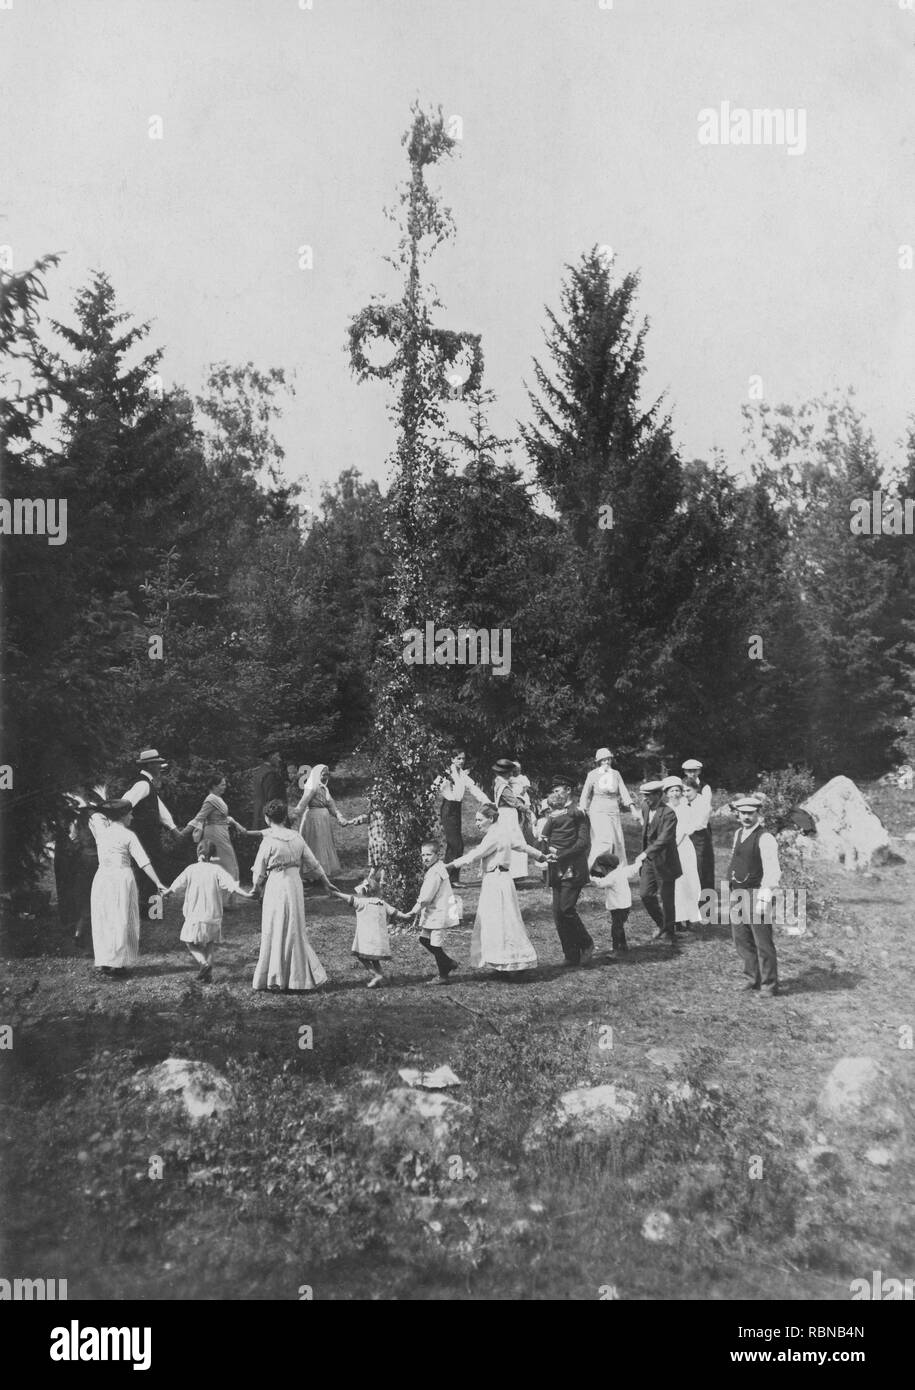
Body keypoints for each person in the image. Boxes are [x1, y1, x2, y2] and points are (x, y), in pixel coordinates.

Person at [446, 802, 548, 974]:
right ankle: (501, 961)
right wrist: (541, 855)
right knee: (498, 919)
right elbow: (522, 846)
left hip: (497, 881)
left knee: (501, 919)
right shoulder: (502, 832)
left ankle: (510, 962)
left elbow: (475, 854)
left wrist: (451, 865)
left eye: (480, 820)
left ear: (491, 819)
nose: (477, 824)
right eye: (476, 820)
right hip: (499, 879)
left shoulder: (494, 836)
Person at [251, 799, 332, 993]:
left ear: (267, 819)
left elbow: (259, 871)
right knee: (294, 926)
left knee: (275, 926)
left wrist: (255, 888)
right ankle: (295, 977)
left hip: (277, 884)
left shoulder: (269, 840)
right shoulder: (296, 837)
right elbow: (313, 862)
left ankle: (277, 977)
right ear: (285, 817)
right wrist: (326, 882)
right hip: (294, 884)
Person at [89, 799, 169, 978]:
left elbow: (95, 816)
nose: (132, 816)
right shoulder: (128, 835)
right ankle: (117, 965)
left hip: (103, 878)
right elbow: (144, 862)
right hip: (120, 879)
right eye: (130, 813)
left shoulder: (101, 833)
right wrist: (158, 883)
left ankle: (105, 962)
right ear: (123, 816)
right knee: (122, 919)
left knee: (105, 920)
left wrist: (104, 809)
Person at [164, 844, 252, 982]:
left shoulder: (191, 869)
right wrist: (246, 895)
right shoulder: (217, 869)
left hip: (195, 914)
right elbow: (232, 885)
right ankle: (208, 975)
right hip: (213, 915)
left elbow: (177, 883)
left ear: (198, 853)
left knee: (189, 941)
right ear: (213, 856)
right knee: (210, 943)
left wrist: (167, 892)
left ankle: (204, 963)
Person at [728, 794, 782, 998]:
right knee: (741, 939)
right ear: (738, 814)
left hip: (756, 892)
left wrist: (764, 897)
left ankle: (769, 984)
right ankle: (752, 978)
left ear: (758, 814)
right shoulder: (738, 833)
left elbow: (772, 870)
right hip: (738, 892)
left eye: (751, 813)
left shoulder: (765, 838)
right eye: (743, 813)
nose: (746, 817)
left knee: (762, 942)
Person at [539, 776, 594, 966]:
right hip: (556, 870)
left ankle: (586, 943)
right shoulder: (553, 813)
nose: (555, 794)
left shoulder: (578, 813)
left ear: (568, 790)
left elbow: (583, 842)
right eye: (553, 792)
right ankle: (571, 955)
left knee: (566, 908)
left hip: (574, 869)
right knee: (557, 913)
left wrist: (561, 854)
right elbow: (546, 837)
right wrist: (546, 852)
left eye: (558, 790)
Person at [123, 749, 179, 918]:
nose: (160, 767)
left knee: (153, 869)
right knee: (148, 870)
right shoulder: (142, 784)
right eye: (157, 764)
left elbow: (160, 809)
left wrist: (173, 828)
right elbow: (125, 803)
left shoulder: (148, 785)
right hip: (144, 836)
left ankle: (152, 911)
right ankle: (149, 912)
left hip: (149, 835)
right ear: (150, 765)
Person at [183, 773, 247, 907]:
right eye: (222, 784)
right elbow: (198, 818)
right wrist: (183, 832)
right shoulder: (210, 799)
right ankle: (218, 901)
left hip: (222, 833)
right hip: (214, 835)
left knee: (226, 865)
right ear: (214, 786)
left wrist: (234, 822)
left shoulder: (217, 799)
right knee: (225, 865)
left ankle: (223, 901)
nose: (225, 787)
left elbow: (224, 817)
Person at [329, 874, 401, 987]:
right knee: (374, 959)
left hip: (367, 939)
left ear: (363, 891)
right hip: (380, 939)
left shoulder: (361, 902)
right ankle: (382, 976)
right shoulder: (382, 903)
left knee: (361, 956)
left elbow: (348, 898)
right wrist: (408, 915)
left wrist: (336, 893)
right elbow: (395, 912)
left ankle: (377, 975)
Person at [402, 840, 458, 984]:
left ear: (437, 855)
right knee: (424, 939)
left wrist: (414, 910)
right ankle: (448, 962)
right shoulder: (436, 868)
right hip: (435, 911)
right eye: (423, 855)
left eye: (428, 854)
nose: (425, 858)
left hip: (439, 912)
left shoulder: (435, 872)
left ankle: (443, 976)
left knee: (435, 944)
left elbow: (426, 897)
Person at [633, 779, 681, 947]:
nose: (645, 799)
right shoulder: (646, 807)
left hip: (666, 861)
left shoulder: (669, 814)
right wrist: (645, 854)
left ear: (659, 795)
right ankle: (662, 924)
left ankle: (670, 932)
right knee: (645, 894)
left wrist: (645, 853)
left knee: (667, 899)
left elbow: (664, 839)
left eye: (649, 796)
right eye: (644, 796)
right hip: (649, 861)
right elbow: (646, 832)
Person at [433, 751, 488, 885]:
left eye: (463, 758)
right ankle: (449, 878)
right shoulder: (446, 773)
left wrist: (487, 802)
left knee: (453, 846)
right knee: (456, 844)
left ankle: (447, 879)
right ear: (452, 759)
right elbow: (433, 788)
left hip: (457, 809)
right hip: (448, 808)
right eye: (458, 758)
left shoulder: (462, 774)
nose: (461, 761)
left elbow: (473, 789)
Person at [579, 748, 640, 866]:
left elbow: (624, 792)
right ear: (598, 762)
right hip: (598, 810)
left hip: (613, 810)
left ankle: (619, 871)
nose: (606, 762)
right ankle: (591, 869)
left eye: (608, 759)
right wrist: (582, 807)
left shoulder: (616, 774)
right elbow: (585, 793)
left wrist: (633, 809)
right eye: (603, 760)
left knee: (618, 842)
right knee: (604, 841)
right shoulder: (592, 775)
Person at [663, 776, 701, 931]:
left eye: (678, 790)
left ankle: (691, 917)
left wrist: (676, 843)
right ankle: (677, 919)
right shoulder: (664, 809)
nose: (675, 793)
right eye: (672, 791)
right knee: (676, 884)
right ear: (666, 793)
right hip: (669, 849)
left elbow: (686, 828)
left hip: (684, 847)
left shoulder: (686, 808)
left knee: (690, 882)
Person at [294, 763, 344, 879]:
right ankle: (313, 874)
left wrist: (339, 816)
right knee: (315, 845)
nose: (326, 776)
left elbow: (332, 806)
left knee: (323, 845)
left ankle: (323, 873)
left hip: (323, 821)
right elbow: (303, 802)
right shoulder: (312, 786)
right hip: (313, 820)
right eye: (323, 774)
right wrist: (294, 815)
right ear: (317, 774)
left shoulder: (324, 788)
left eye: (327, 774)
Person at [589, 850, 635, 953]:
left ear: (607, 868)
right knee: (619, 927)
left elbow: (600, 884)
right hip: (623, 906)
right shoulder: (620, 872)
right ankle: (623, 946)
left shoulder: (612, 876)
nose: (601, 871)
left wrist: (590, 878)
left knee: (616, 929)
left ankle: (616, 950)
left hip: (619, 907)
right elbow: (633, 869)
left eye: (601, 868)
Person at [492, 758, 529, 881]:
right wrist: (526, 809)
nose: (511, 775)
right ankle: (513, 874)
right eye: (510, 772)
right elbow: (513, 802)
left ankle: (511, 873)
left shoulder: (498, 782)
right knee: (513, 840)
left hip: (506, 814)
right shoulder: (503, 786)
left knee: (509, 840)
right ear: (506, 773)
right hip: (507, 815)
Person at [682, 759, 715, 890]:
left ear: (699, 771)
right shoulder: (681, 786)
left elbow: (705, 809)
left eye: (694, 771)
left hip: (700, 826)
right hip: (685, 827)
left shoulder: (705, 787)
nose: (692, 774)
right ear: (685, 771)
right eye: (689, 771)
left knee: (702, 861)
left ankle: (705, 891)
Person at [250, 748, 286, 832]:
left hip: (259, 814)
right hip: (270, 819)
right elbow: (273, 799)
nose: (279, 759)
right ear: (271, 757)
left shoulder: (259, 772)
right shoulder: (271, 774)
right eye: (277, 756)